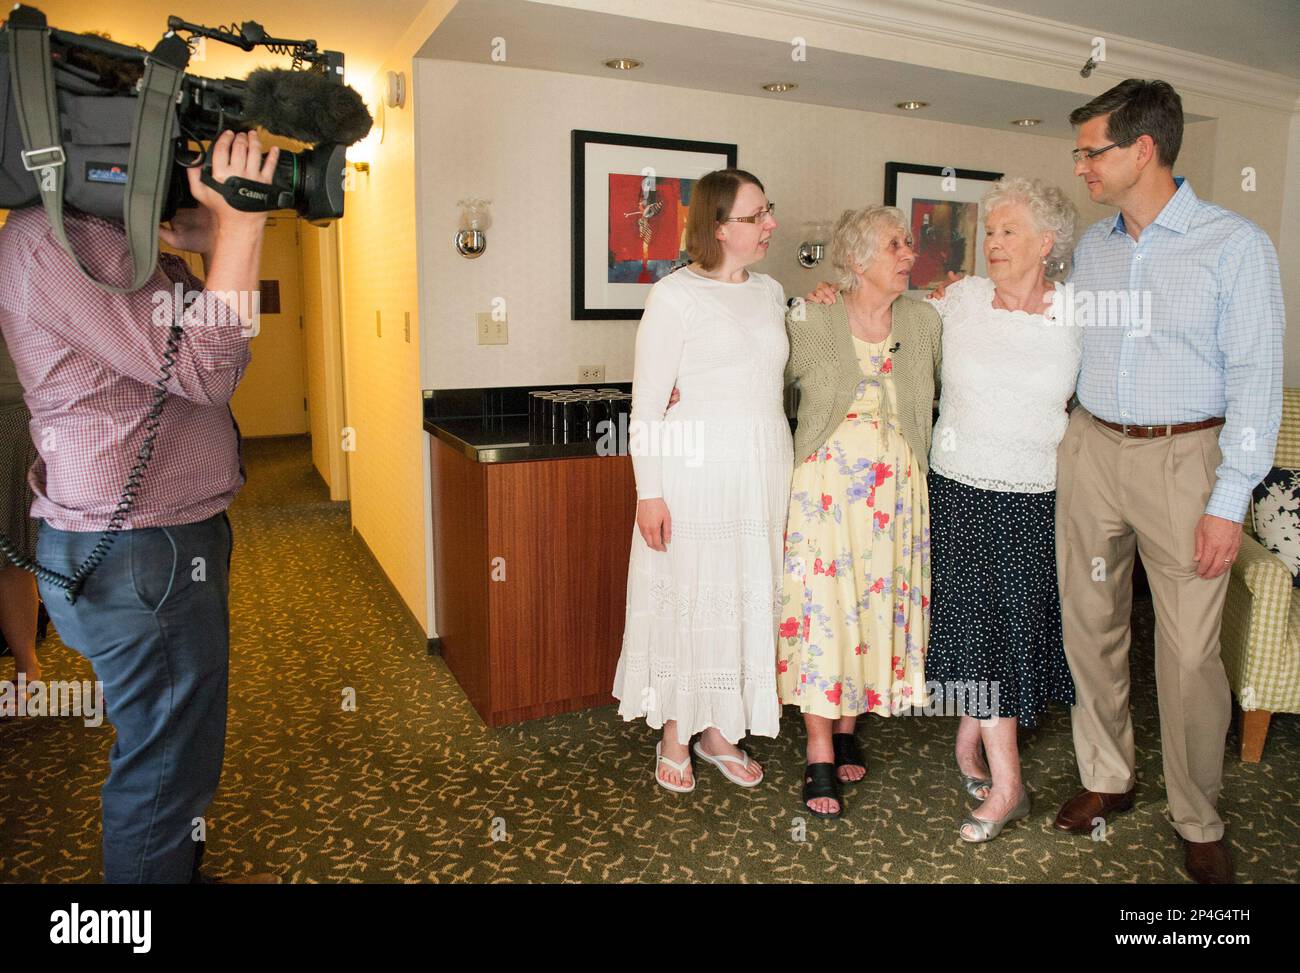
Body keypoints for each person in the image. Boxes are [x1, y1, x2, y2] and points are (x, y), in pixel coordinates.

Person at [0, 129, 278, 883]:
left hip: (149, 539)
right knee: (163, 767)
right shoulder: (63, 242)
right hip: (140, 548)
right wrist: (244, 224)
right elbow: (209, 367)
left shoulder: (90, 239)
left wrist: (204, 236)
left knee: (173, 748)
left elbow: (199, 335)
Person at [1054, 79, 1284, 884]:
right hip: (1091, 449)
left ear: (1142, 149)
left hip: (1189, 463)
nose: (1081, 165)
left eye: (1093, 150)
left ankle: (1198, 814)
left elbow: (1257, 382)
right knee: (1089, 623)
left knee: (1188, 656)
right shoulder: (1094, 246)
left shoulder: (1236, 246)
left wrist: (1231, 500)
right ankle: (1107, 775)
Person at [613, 168, 793, 793]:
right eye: (756, 216)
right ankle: (674, 733)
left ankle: (720, 730)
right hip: (695, 480)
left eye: (769, 211)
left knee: (743, 600)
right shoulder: (674, 296)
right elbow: (647, 406)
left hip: (764, 474)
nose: (771, 224)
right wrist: (649, 493)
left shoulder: (771, 292)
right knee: (691, 600)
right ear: (719, 228)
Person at [923, 177, 1080, 842]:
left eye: (1010, 231)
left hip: (1036, 495)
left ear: (1047, 243)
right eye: (991, 232)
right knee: (971, 626)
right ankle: (1009, 783)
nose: (995, 243)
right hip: (958, 486)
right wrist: (822, 301)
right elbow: (881, 324)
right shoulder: (958, 298)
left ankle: (975, 727)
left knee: (1013, 627)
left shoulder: (1078, 311)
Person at [779, 205, 941, 818]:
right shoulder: (812, 316)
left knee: (874, 606)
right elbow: (761, 382)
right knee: (826, 612)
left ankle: (847, 725)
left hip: (898, 492)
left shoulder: (924, 319)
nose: (908, 254)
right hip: (825, 490)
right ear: (857, 259)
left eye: (908, 244)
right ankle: (819, 749)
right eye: (896, 245)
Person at [0, 332, 41, 707]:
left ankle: (116, 672)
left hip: (20, 412)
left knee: (26, 551)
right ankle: (26, 668)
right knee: (9, 556)